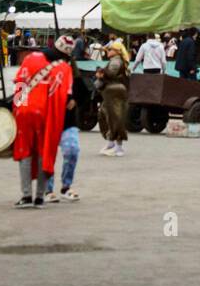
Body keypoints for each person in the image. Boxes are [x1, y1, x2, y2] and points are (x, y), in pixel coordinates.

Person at [11, 49, 70, 208]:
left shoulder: (29, 59)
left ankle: (26, 196)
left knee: (25, 152)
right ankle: (39, 198)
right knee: (43, 152)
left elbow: (20, 84)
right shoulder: (63, 66)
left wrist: (17, 110)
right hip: (46, 113)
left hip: (26, 111)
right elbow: (64, 94)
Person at [43, 37, 88, 202]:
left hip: (66, 118)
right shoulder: (43, 59)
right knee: (47, 155)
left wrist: (75, 99)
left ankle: (65, 187)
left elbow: (82, 88)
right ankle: (47, 190)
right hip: (46, 117)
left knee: (72, 150)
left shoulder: (69, 64)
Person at [96, 41, 131, 156]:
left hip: (115, 91)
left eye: (110, 49)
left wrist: (101, 73)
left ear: (116, 51)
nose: (108, 51)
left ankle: (118, 147)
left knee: (115, 118)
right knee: (105, 114)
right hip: (113, 91)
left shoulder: (116, 60)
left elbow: (111, 73)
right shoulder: (115, 60)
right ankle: (111, 142)